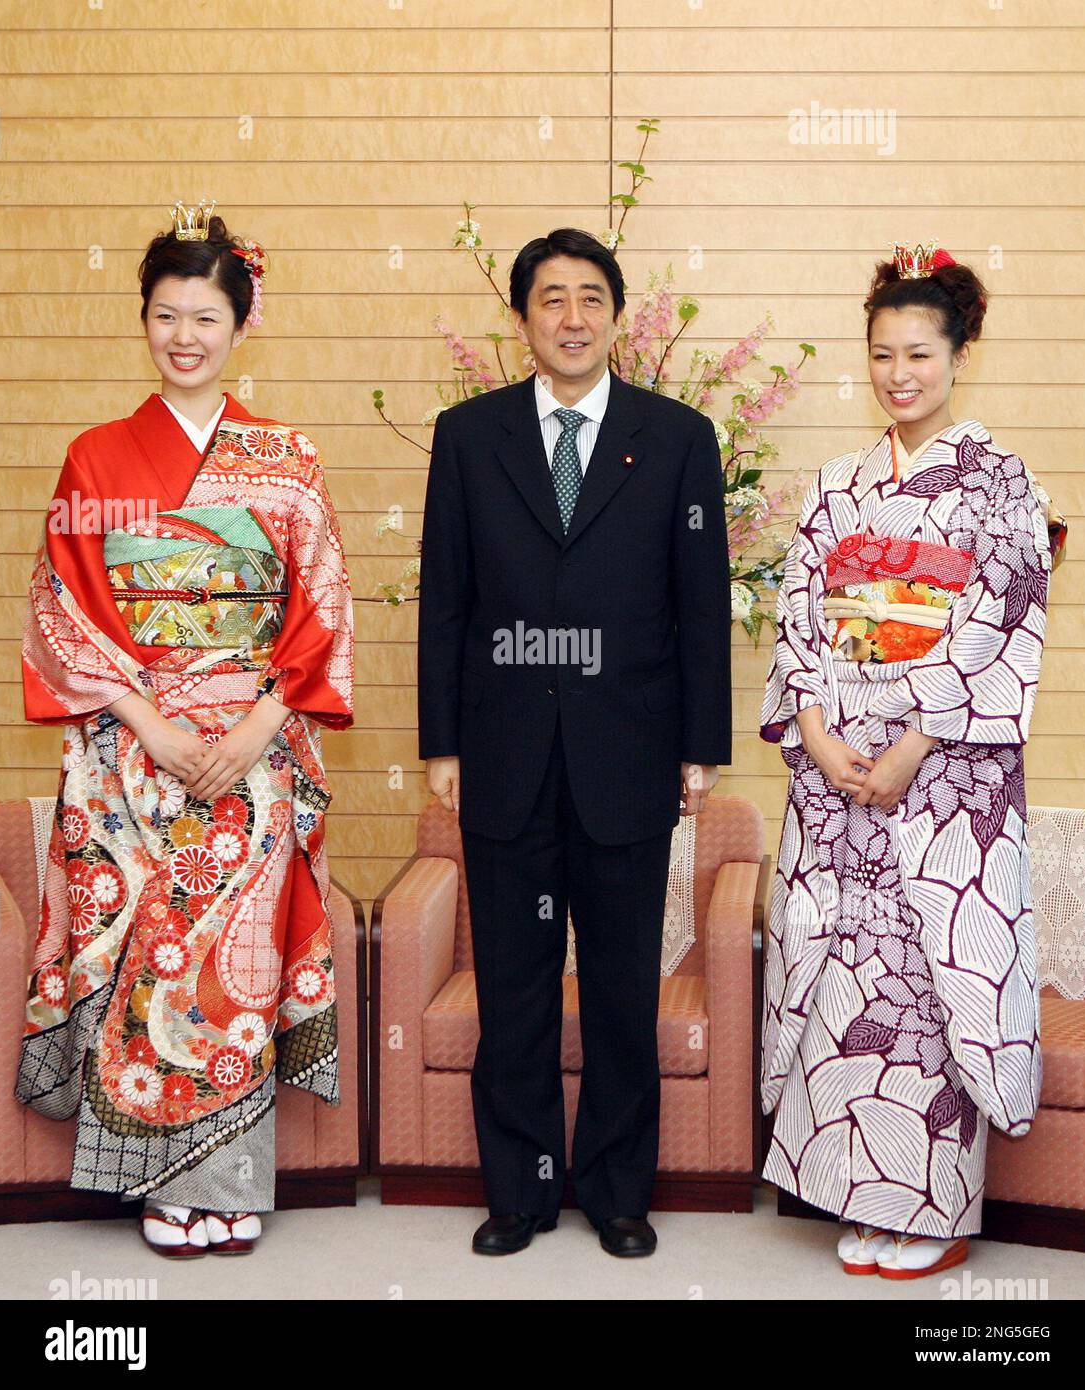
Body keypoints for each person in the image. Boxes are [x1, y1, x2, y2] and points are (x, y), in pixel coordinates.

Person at [16, 200, 354, 1257]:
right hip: (134, 744)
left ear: (242, 326)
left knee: (234, 954)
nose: (185, 337)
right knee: (150, 946)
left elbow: (319, 607)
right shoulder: (95, 458)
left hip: (253, 737)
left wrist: (260, 725)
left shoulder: (286, 460)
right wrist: (147, 726)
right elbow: (61, 610)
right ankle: (160, 1184)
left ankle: (230, 1180)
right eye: (166, 315)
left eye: (206, 317)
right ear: (146, 321)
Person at [417, 227, 732, 1257]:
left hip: (629, 753)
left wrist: (700, 744)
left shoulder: (677, 438)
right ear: (521, 321)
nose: (571, 317)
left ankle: (614, 1190)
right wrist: (441, 743)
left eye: (590, 297)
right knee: (511, 982)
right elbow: (446, 603)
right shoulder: (468, 438)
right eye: (550, 299)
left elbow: (698, 606)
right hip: (504, 750)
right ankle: (518, 1191)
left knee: (619, 989)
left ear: (616, 314)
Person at [758, 241, 1058, 1278]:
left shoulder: (1001, 482)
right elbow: (799, 619)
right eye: (882, 352)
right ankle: (849, 1187)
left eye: (920, 353)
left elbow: (997, 625)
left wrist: (915, 741)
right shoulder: (835, 485)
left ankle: (931, 1208)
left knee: (927, 985)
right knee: (847, 972)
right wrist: (820, 736)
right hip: (838, 779)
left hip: (941, 786)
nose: (898, 373)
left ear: (959, 353)